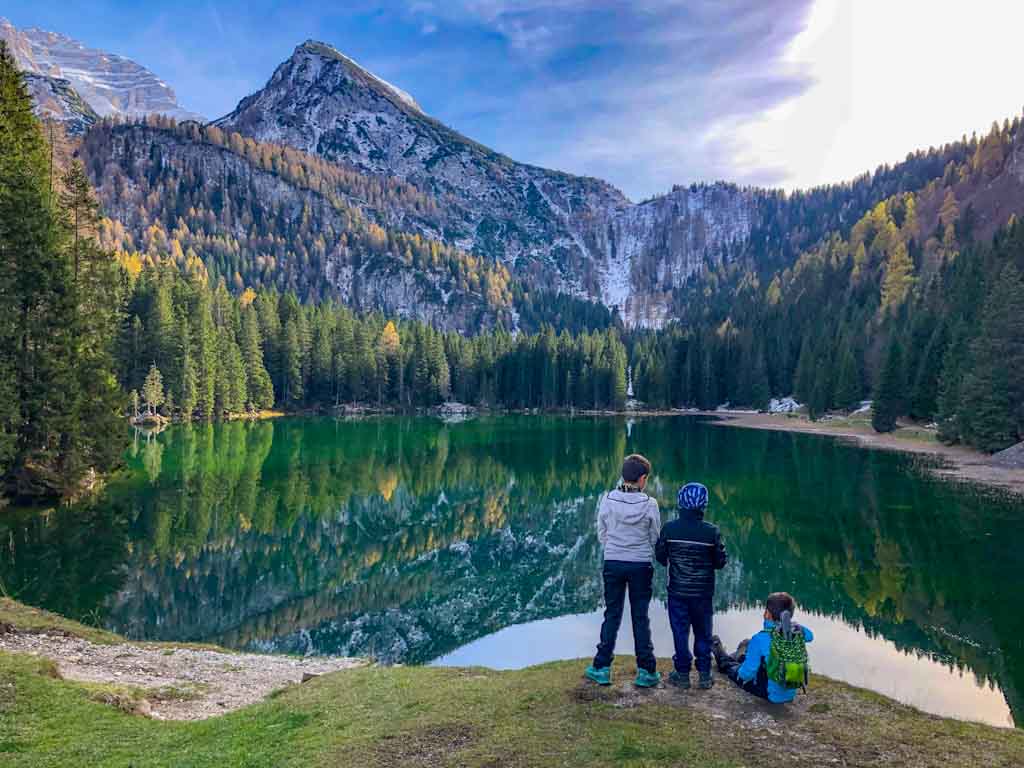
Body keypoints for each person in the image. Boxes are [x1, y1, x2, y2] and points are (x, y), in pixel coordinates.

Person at [585, 453, 662, 688]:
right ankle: (646, 671)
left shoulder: (608, 499)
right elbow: (655, 537)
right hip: (640, 565)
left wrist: (614, 547)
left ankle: (601, 667)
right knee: (640, 617)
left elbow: (602, 532)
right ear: (642, 479)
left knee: (612, 614)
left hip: (613, 562)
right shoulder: (650, 504)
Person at [655, 482, 727, 690]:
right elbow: (719, 562)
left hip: (677, 591)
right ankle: (704, 674)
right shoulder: (711, 531)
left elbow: (661, 556)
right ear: (703, 506)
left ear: (680, 503)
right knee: (703, 632)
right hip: (703, 593)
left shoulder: (670, 528)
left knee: (680, 631)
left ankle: (683, 673)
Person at [711, 592, 814, 703]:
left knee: (729, 666)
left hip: (766, 693)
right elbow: (810, 636)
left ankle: (722, 653)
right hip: (789, 692)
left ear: (767, 614)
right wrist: (791, 624)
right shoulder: (798, 632)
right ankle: (740, 653)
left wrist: (738, 671)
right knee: (749, 646)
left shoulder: (760, 638)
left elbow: (746, 674)